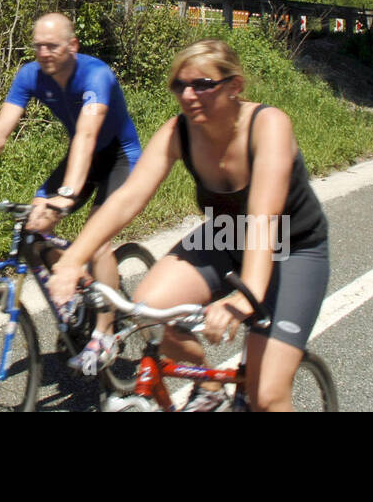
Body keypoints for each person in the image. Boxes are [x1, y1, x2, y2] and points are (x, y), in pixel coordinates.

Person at [48, 39, 329, 411]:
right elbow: (126, 199)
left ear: (234, 86)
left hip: (291, 249)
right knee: (147, 307)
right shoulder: (179, 131)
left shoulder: (268, 126)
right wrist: (71, 261)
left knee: (267, 396)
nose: (188, 95)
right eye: (180, 85)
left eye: (202, 85)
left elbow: (263, 219)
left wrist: (245, 298)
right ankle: (210, 389)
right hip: (226, 239)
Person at [0, 13, 143, 374]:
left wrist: (66, 194)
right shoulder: (30, 76)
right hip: (80, 159)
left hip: (119, 158)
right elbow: (0, 131)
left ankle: (105, 333)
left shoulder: (97, 74)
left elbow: (86, 135)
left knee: (96, 238)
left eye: (52, 46)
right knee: (31, 228)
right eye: (38, 46)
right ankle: (80, 286)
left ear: (72, 46)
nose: (44, 52)